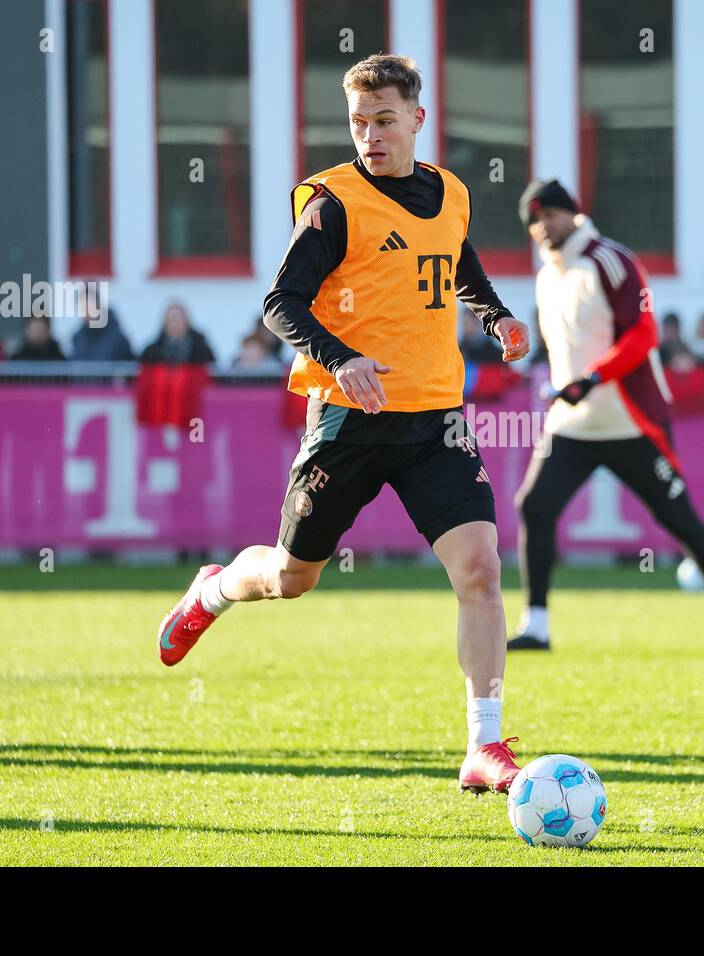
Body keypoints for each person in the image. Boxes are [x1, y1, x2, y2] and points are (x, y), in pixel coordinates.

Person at [153, 54, 531, 795]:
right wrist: (342, 356)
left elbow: (458, 267)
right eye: (359, 123)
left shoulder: (451, 192)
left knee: (481, 570)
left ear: (418, 119)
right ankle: (217, 589)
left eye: (384, 120)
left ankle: (483, 748)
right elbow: (280, 303)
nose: (370, 136)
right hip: (348, 421)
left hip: (434, 420)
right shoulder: (332, 203)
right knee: (294, 578)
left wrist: (498, 317)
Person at [508, 179, 704, 653]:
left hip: (629, 420)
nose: (541, 226)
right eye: (533, 220)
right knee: (533, 507)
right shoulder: (546, 276)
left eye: (549, 215)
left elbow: (642, 334)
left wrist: (593, 379)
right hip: (573, 423)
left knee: (679, 518)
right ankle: (536, 623)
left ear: (572, 213)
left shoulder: (611, 261)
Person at [140, 302, 215, 365]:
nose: (175, 324)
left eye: (178, 319)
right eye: (172, 319)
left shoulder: (202, 351)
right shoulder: (151, 352)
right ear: (165, 322)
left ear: (186, 321)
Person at [70, 300, 135, 362]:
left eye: (89, 308)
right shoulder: (78, 339)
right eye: (82, 309)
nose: (85, 313)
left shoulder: (118, 340)